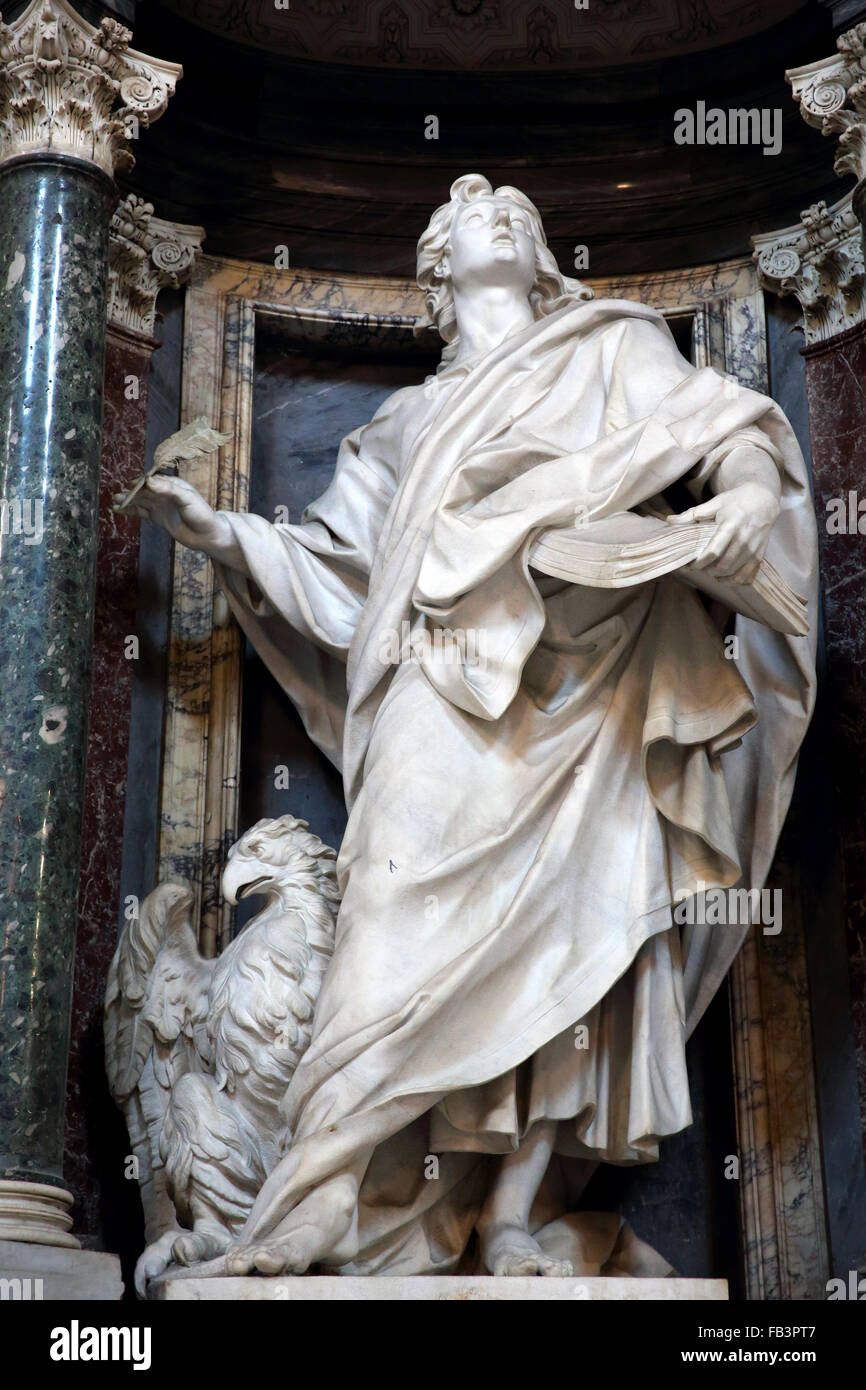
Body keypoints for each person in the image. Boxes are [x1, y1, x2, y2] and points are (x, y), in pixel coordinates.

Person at [125, 174, 817, 1278]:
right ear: (436, 270)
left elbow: (726, 427)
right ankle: (318, 1192)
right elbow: (348, 582)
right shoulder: (401, 423)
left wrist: (738, 500)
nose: (491, 203)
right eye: (466, 210)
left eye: (512, 206)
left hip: (594, 681)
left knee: (583, 937)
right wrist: (224, 536)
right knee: (387, 913)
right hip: (436, 686)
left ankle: (510, 1209)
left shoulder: (610, 346)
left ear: (540, 251)